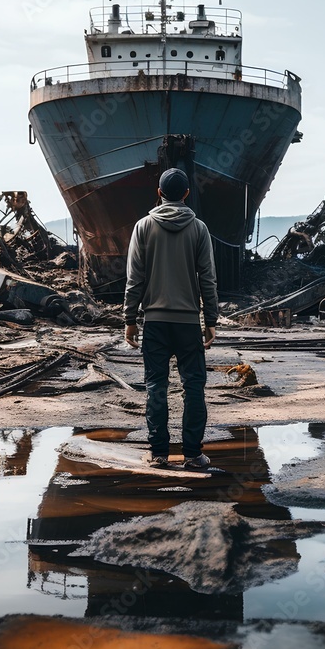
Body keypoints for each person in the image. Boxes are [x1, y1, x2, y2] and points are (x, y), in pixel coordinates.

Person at [123, 168, 218, 470]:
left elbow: (134, 278)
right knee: (194, 386)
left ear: (159, 193)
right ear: (187, 194)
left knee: (156, 386)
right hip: (189, 323)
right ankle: (193, 455)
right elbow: (208, 279)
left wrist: (129, 318)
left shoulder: (143, 227)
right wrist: (211, 319)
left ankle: (159, 454)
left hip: (156, 322)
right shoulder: (200, 228)